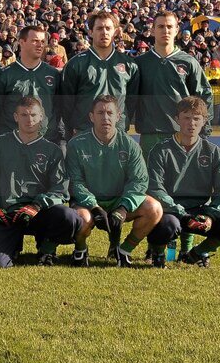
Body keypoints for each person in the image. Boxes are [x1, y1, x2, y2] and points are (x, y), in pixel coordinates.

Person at [146, 96, 220, 268]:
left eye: (196, 118)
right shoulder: (160, 150)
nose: (191, 123)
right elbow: (154, 188)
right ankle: (157, 254)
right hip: (171, 211)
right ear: (177, 119)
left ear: (204, 121)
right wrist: (182, 214)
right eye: (186, 118)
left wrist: (209, 215)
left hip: (200, 211)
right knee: (165, 224)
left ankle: (197, 253)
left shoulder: (213, 152)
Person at [0, 96, 80, 267]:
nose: (29, 120)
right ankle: (12, 245)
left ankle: (46, 248)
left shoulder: (52, 150)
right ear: (16, 117)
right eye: (24, 115)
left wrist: (37, 206)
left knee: (69, 217)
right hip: (6, 213)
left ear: (41, 117)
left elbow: (60, 189)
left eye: (33, 115)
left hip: (37, 212)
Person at [66, 96, 162, 267]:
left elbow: (139, 181)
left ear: (118, 116)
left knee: (154, 209)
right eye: (100, 112)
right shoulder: (76, 144)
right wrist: (94, 207)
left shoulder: (130, 145)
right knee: (82, 219)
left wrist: (124, 207)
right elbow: (75, 182)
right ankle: (80, 249)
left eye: (110, 113)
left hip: (119, 200)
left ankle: (123, 250)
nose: (105, 117)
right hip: (88, 202)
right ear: (91, 116)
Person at [134, 11, 212, 158]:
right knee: (150, 179)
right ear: (152, 30)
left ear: (177, 30)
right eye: (161, 26)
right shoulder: (140, 64)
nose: (166, 30)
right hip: (150, 134)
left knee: (182, 179)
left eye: (170, 26)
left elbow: (204, 97)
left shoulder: (189, 62)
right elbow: (129, 99)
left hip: (182, 133)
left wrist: (203, 130)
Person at [59, 11, 139, 135]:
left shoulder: (129, 64)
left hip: (117, 133)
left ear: (116, 32)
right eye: (99, 28)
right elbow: (67, 103)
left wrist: (123, 122)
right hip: (85, 132)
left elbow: (132, 100)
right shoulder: (76, 64)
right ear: (90, 32)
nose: (104, 32)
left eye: (108, 28)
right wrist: (73, 128)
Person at [0, 24, 62, 141]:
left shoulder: (53, 74)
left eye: (42, 41)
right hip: (12, 140)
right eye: (35, 41)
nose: (40, 45)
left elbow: (59, 108)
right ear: (21, 42)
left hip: (46, 140)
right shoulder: (4, 75)